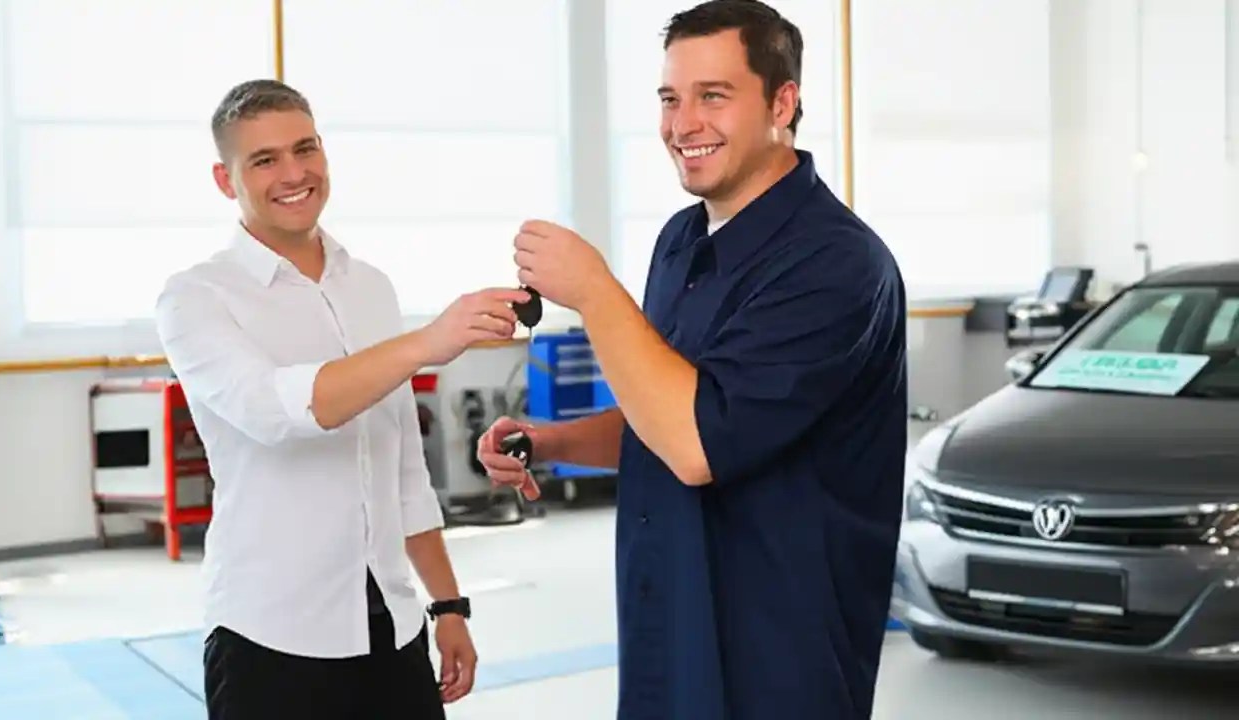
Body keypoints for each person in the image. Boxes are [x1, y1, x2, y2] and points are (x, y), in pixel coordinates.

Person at [478, 1, 908, 718]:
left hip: (778, 656)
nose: (683, 124)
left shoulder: (837, 265)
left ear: (783, 102)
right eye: (670, 99)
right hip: (669, 630)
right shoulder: (681, 241)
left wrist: (591, 290)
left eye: (714, 96)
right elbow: (667, 405)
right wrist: (552, 442)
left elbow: (697, 442)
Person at [156, 78, 529, 719]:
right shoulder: (196, 298)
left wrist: (447, 605)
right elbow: (276, 411)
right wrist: (426, 343)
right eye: (265, 159)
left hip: (392, 625)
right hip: (269, 636)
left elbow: (403, 467)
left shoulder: (371, 288)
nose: (294, 173)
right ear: (226, 179)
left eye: (306, 149)